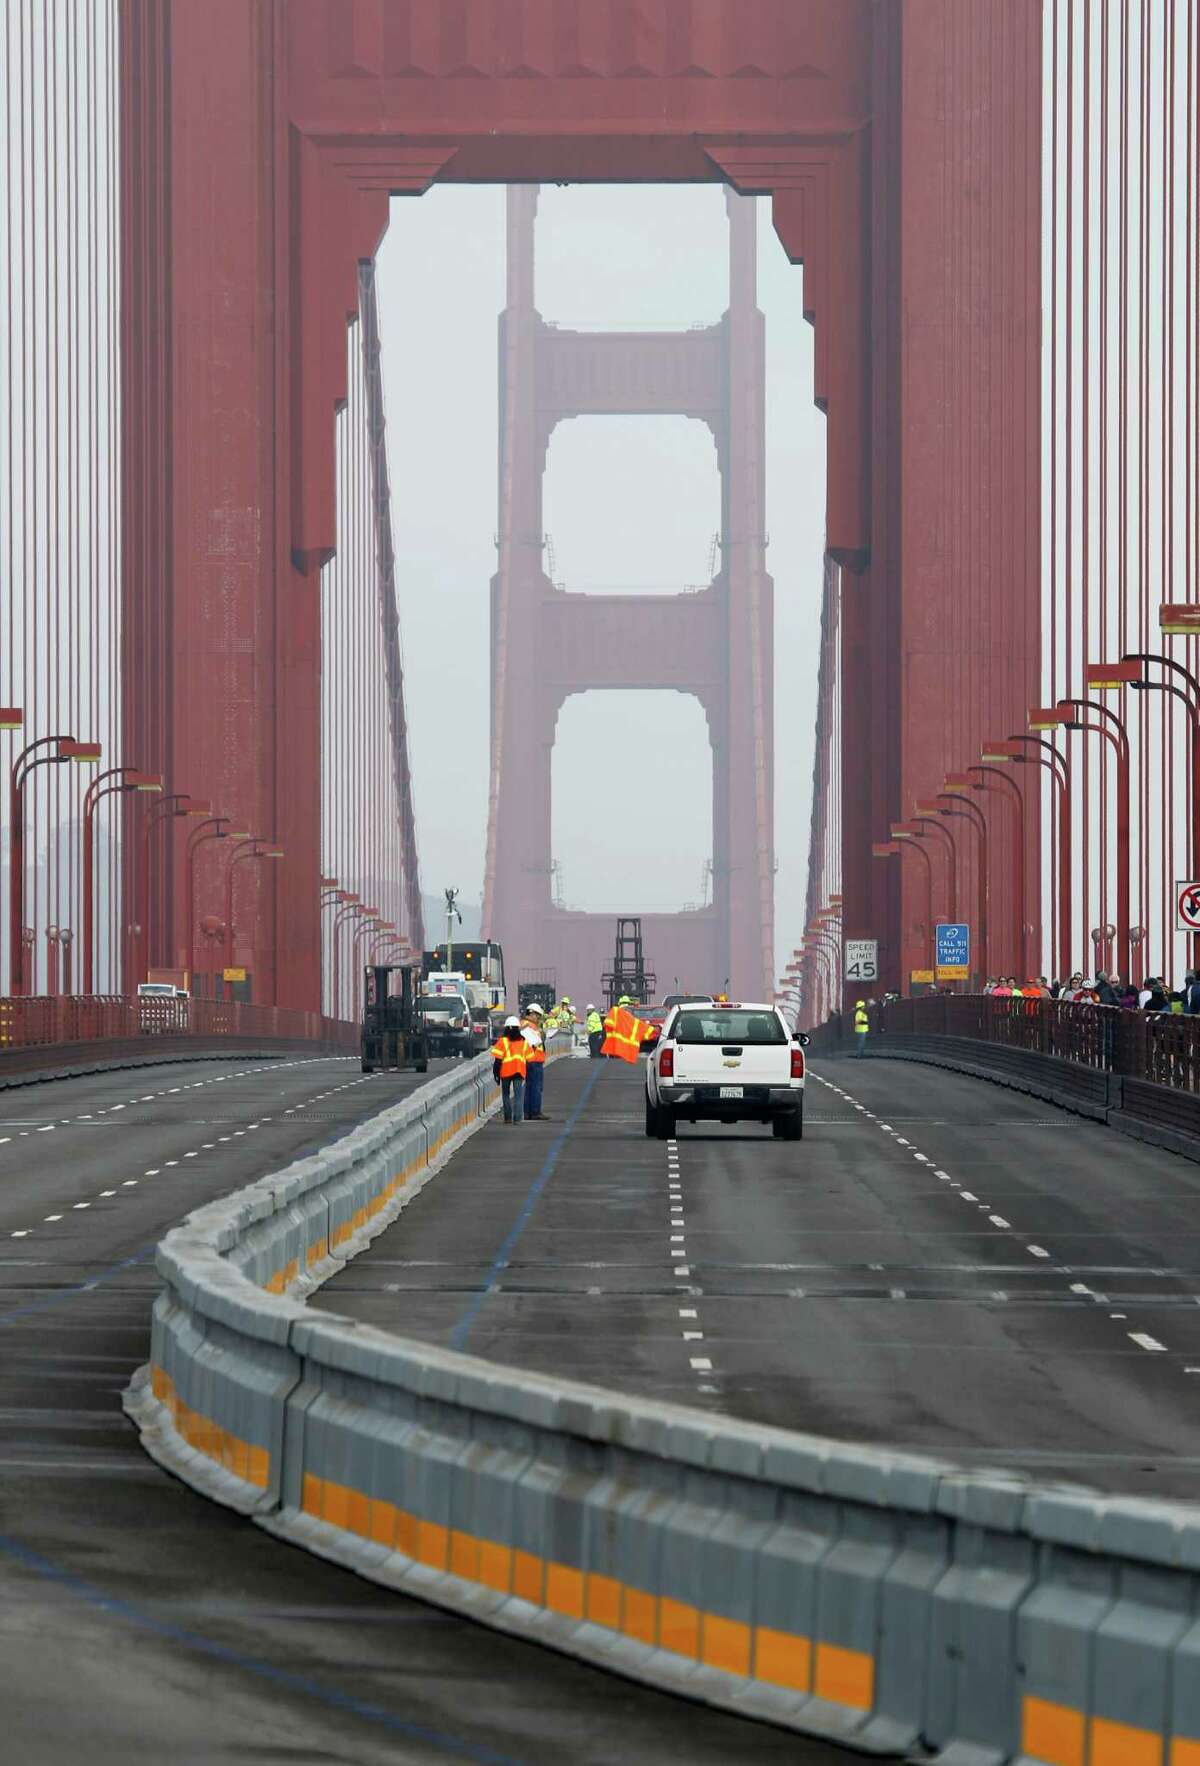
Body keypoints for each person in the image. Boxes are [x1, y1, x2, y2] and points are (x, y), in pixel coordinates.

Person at [491, 1015, 527, 1124]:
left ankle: (507, 1118)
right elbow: (530, 1058)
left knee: (506, 1094)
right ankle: (517, 1119)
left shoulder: (502, 1041)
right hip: (519, 1072)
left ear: (506, 1028)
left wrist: (496, 1074)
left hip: (505, 1072)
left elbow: (497, 1061)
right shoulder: (523, 1042)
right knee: (518, 1096)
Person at [521, 1001, 548, 1119]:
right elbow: (534, 1043)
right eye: (537, 1016)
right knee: (536, 1087)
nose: (538, 1019)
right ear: (532, 1014)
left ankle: (528, 1112)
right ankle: (535, 1112)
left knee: (530, 1086)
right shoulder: (527, 1026)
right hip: (534, 1061)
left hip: (532, 1060)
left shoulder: (528, 1025)